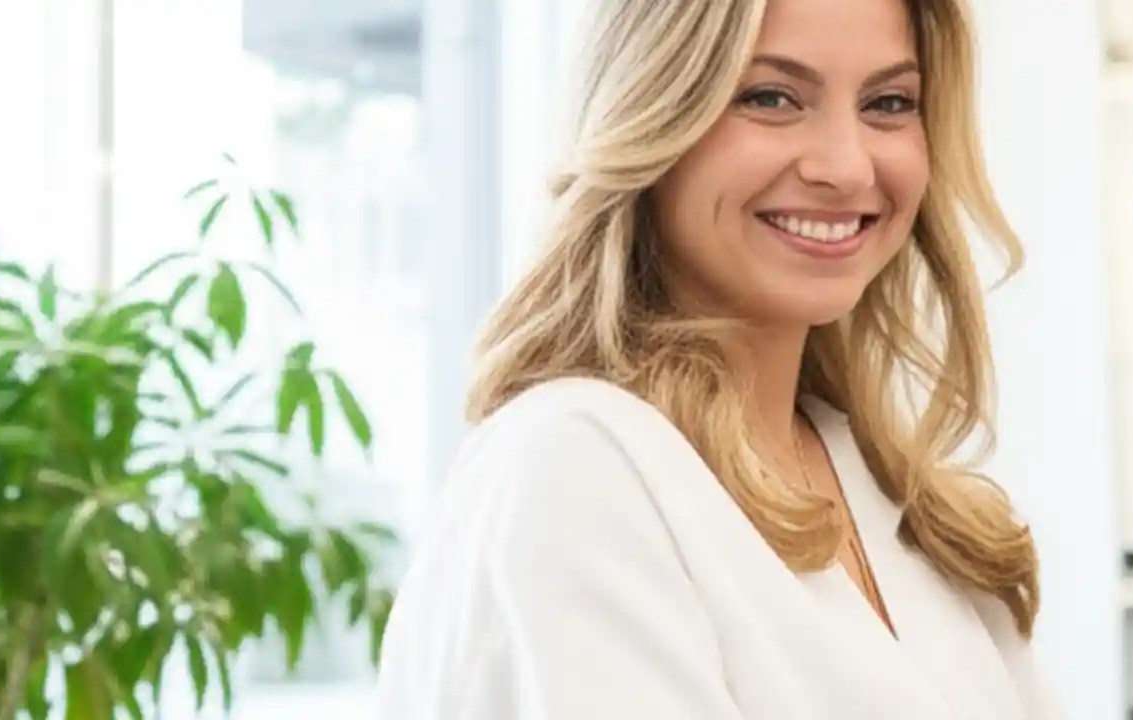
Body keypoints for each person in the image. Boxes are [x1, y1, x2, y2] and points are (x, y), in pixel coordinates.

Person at [376, 0, 1064, 717]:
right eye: (770, 97)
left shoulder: (901, 497)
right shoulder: (574, 463)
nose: (846, 166)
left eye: (889, 103)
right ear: (652, 111)